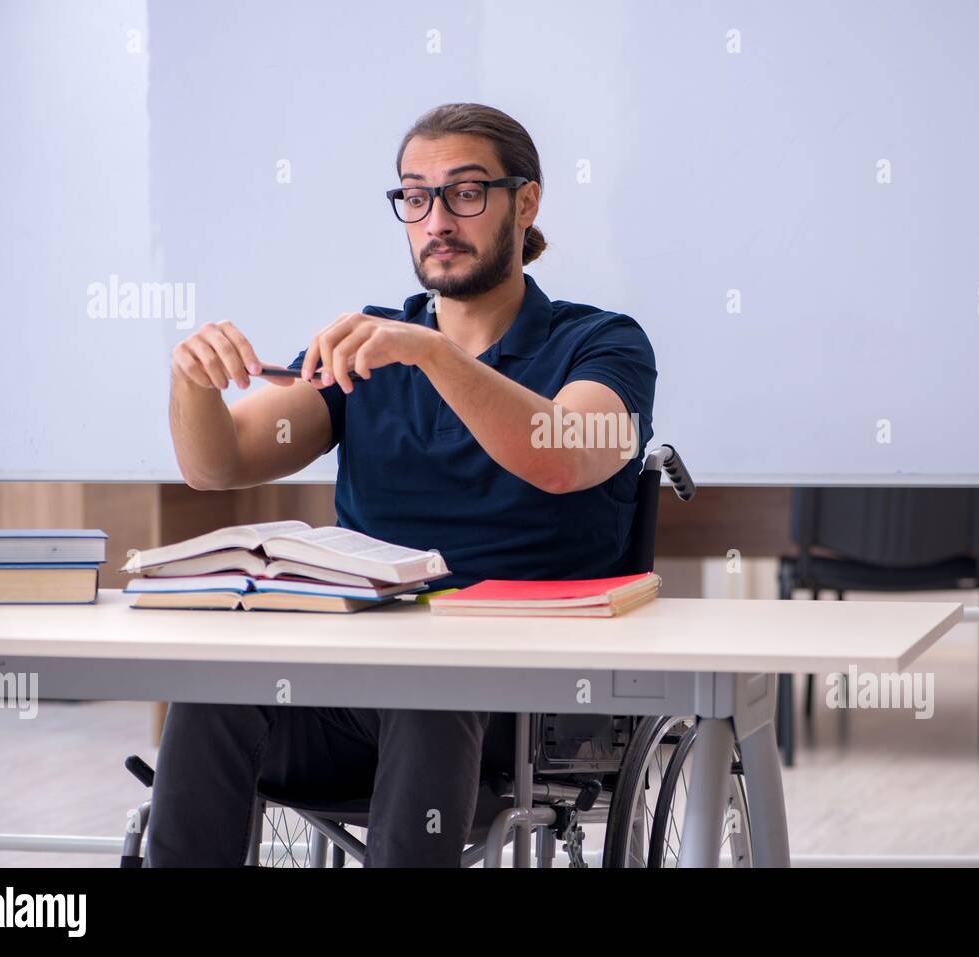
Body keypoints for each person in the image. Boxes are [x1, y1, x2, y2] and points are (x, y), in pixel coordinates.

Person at [147, 102, 657, 866]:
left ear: (527, 202)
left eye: (465, 192)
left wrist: (431, 353)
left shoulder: (603, 342)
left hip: (525, 704)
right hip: (356, 691)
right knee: (212, 686)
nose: (436, 219)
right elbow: (217, 463)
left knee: (432, 683)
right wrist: (192, 382)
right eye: (415, 196)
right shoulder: (372, 347)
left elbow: (564, 452)